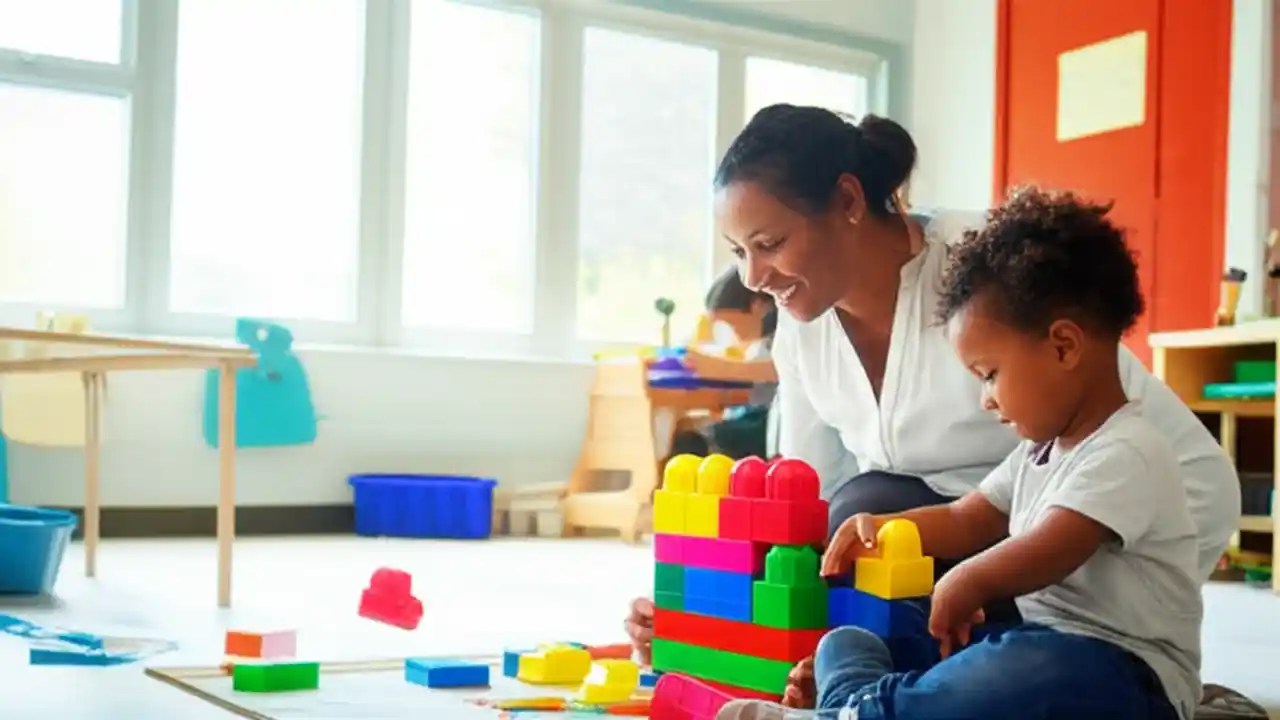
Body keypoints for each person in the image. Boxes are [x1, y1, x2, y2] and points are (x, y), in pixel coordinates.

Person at [624, 104, 1236, 702]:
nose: (753, 277)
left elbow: (1096, 396)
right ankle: (872, 686)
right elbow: (807, 514)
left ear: (847, 201)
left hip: (1096, 559)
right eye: (738, 253)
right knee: (858, 520)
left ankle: (896, 693)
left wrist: (993, 575)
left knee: (1024, 662)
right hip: (993, 540)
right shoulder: (801, 327)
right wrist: (708, 621)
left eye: (769, 242)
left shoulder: (993, 273)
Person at [715, 186, 1202, 720]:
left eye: (990, 374)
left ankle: (854, 710)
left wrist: (969, 578)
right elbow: (968, 518)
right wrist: (886, 526)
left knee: (1024, 669)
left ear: (1064, 346)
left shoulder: (1128, 449)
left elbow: (1053, 547)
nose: (986, 397)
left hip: (1128, 675)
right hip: (1030, 640)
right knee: (856, 639)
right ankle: (859, 697)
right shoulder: (1038, 453)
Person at [668, 265, 780, 462]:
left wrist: (718, 367)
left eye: (731, 324)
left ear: (757, 306)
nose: (733, 333)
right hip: (762, 416)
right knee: (688, 431)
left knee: (698, 439)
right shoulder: (762, 344)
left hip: (771, 422)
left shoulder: (781, 341)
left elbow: (780, 369)